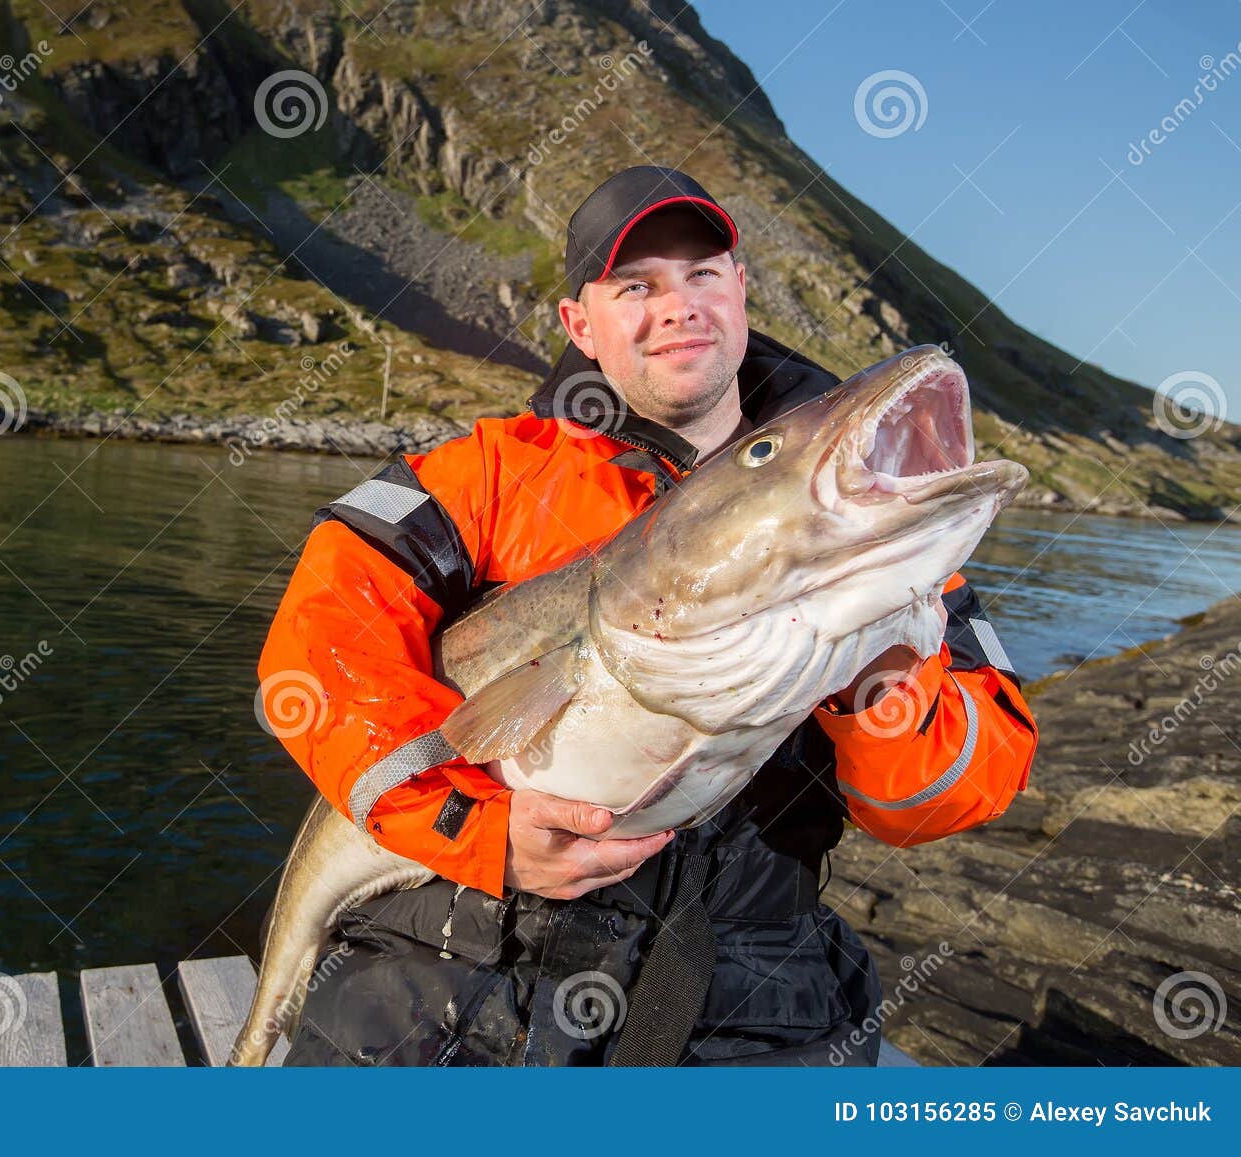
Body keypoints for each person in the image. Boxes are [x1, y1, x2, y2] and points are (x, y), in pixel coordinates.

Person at [256, 166, 1038, 1066]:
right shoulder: (486, 473)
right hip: (461, 951)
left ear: (742, 292)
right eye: (638, 286)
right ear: (579, 325)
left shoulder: (883, 536)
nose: (680, 305)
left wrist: (879, 690)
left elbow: (953, 792)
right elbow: (313, 657)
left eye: (705, 274)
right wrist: (467, 827)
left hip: (753, 983)